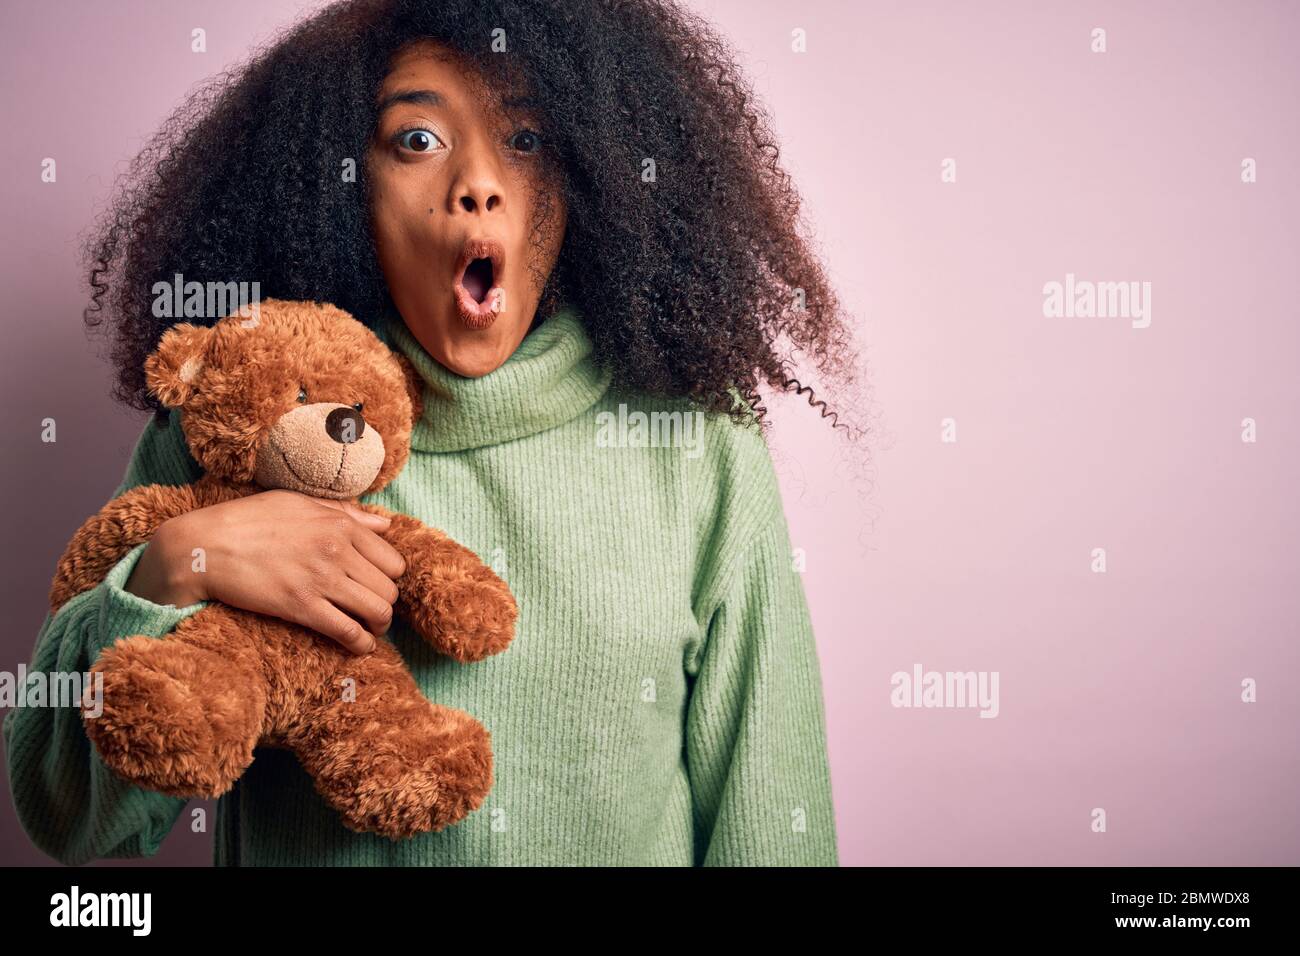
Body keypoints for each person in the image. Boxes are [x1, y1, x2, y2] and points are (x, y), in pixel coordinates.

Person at [5, 0, 862, 866]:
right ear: (340, 187)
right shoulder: (238, 432)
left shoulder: (700, 444)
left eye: (526, 139)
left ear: (588, 175)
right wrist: (177, 564)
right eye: (417, 140)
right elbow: (67, 815)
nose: (478, 183)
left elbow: (774, 826)